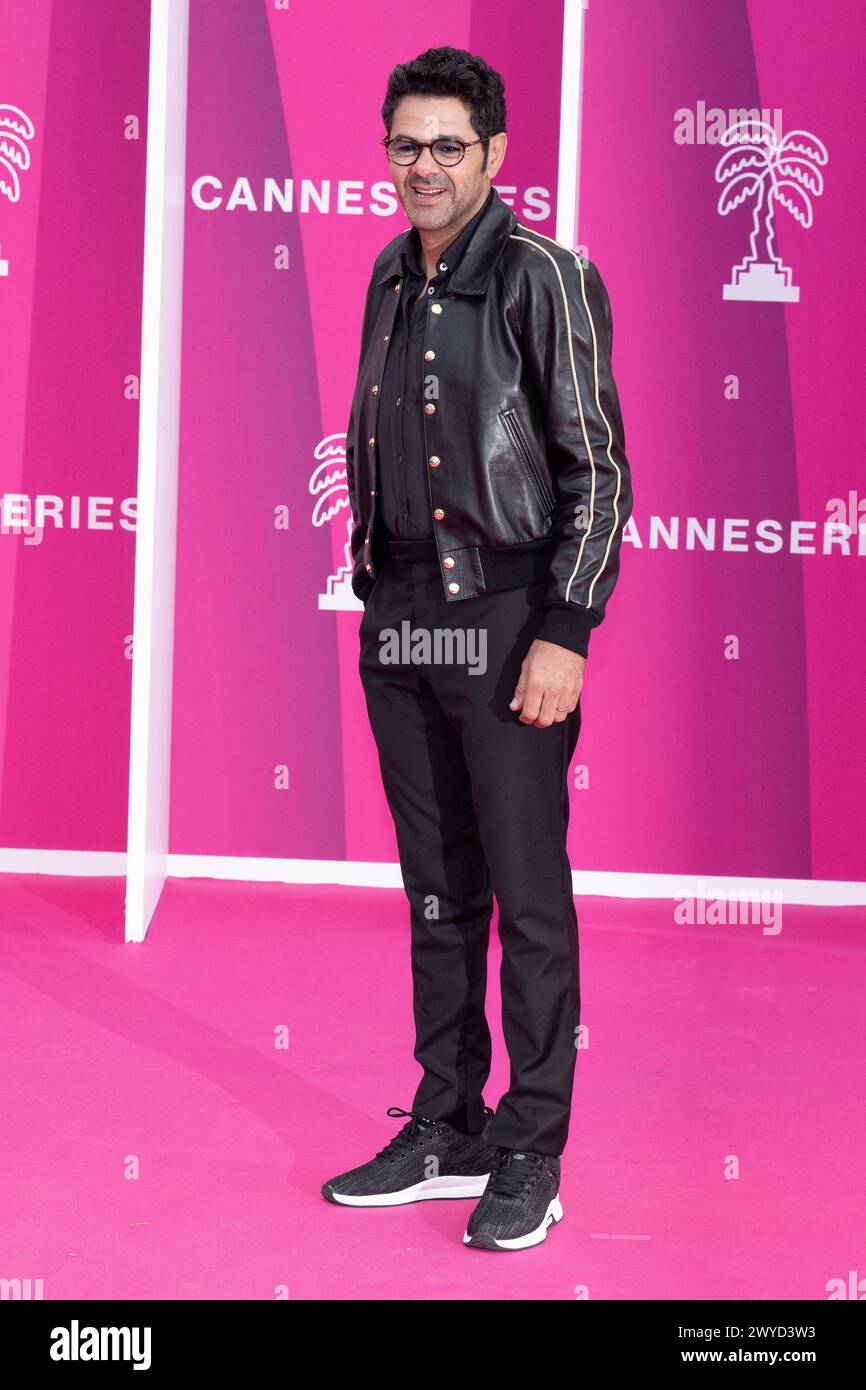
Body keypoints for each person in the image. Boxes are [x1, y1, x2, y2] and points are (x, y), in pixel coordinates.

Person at [321, 46, 633, 1251]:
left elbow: (595, 467)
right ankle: (445, 1120)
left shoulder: (544, 278)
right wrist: (373, 591)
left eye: (448, 145)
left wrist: (564, 626)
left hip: (507, 623)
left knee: (527, 896)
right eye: (405, 144)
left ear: (494, 155)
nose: (424, 166)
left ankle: (529, 1148)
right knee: (437, 888)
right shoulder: (388, 276)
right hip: (400, 618)